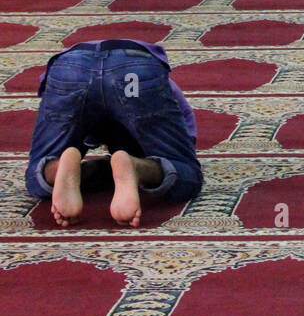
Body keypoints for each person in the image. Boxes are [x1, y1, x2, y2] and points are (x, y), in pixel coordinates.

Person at [25, 39, 203, 228]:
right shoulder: (160, 89)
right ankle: (137, 168)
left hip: (70, 67)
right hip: (135, 69)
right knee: (187, 175)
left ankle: (60, 168)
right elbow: (186, 139)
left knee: (40, 166)